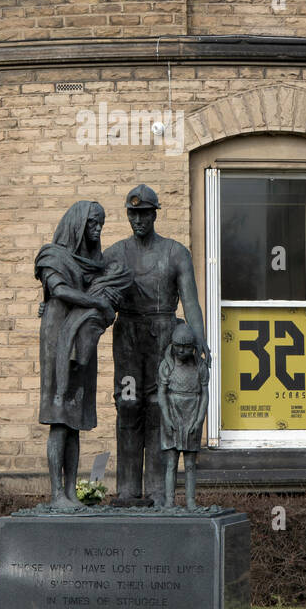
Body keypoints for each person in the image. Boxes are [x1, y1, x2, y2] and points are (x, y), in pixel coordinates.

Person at [104, 185, 210, 507]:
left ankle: (158, 492)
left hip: (165, 334)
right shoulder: (114, 254)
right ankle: (126, 490)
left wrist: (200, 343)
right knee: (128, 404)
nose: (138, 220)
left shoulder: (176, 253)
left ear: (154, 214)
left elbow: (190, 303)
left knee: (158, 407)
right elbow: (90, 293)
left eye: (144, 213)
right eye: (132, 214)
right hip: (128, 336)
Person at [34, 201, 131, 510]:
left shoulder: (92, 264)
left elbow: (105, 287)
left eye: (100, 224)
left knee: (73, 419)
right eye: (92, 224)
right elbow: (60, 291)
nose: (97, 230)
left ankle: (72, 494)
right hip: (56, 337)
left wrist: (103, 302)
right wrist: (97, 304)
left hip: (81, 340)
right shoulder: (52, 256)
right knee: (58, 416)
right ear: (77, 224)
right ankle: (56, 495)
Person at [158, 322, 209, 509]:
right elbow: (161, 394)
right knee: (171, 462)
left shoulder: (200, 367)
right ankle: (169, 501)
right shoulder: (167, 366)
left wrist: (199, 420)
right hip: (172, 412)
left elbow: (205, 395)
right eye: (178, 346)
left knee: (189, 463)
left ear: (193, 348)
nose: (181, 351)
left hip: (192, 413)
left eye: (186, 347)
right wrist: (166, 417)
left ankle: (190, 501)